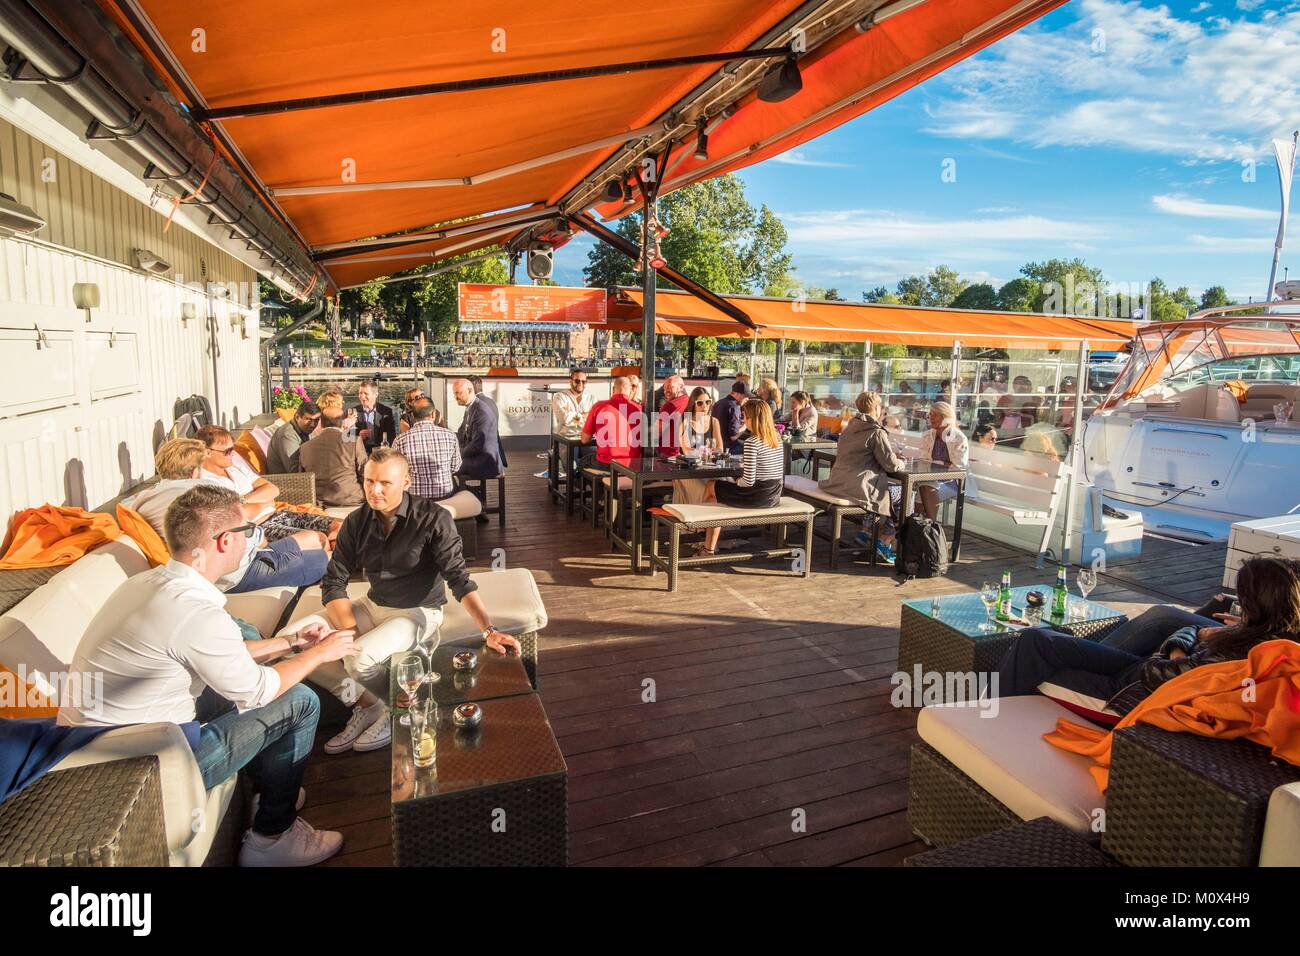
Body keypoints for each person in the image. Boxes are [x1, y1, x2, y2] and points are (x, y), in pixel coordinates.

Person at [59, 485, 359, 866]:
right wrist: (321, 653)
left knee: (252, 646)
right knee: (300, 702)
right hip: (142, 776)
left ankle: (271, 788)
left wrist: (292, 643)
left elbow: (225, 652)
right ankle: (271, 837)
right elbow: (259, 691)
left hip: (108, 746)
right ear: (223, 542)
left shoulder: (150, 585)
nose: (253, 540)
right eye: (248, 533)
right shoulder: (193, 612)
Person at [300, 448, 521, 753]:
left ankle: (398, 709)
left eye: (384, 483)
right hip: (372, 604)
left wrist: (489, 629)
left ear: (406, 482)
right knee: (296, 642)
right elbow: (334, 581)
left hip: (419, 611)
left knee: (357, 658)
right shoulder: (356, 521)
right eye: (368, 481)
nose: (374, 491)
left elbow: (459, 579)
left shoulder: (433, 519)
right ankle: (369, 704)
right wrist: (349, 631)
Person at [994, 557, 1300, 708]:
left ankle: (992, 720)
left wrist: (1179, 647)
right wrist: (1194, 637)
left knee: (1030, 664)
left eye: (1243, 600)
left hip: (1126, 694)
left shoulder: (1255, 652)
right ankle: (994, 709)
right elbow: (1192, 630)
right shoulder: (1261, 635)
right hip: (1137, 670)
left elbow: (1163, 674)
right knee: (1036, 639)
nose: (1239, 607)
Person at [129, 438, 331, 594]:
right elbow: (253, 532)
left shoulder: (142, 500)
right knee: (330, 556)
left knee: (316, 537)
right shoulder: (205, 492)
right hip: (240, 572)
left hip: (248, 555)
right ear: (194, 471)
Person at [818, 391, 906, 563]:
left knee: (882, 490)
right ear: (877, 408)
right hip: (858, 487)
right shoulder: (875, 432)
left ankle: (866, 532)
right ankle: (885, 540)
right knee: (904, 494)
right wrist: (901, 462)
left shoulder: (851, 426)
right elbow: (891, 465)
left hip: (838, 482)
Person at [697, 399, 784, 555]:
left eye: (745, 416)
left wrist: (735, 480)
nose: (743, 420)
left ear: (753, 418)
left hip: (756, 496)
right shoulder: (777, 439)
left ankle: (706, 542)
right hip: (773, 495)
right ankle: (709, 541)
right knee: (719, 487)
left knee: (711, 485)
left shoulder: (752, 442)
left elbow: (747, 481)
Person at [393, 398, 460, 500]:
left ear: (412, 416)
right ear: (434, 414)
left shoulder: (400, 440)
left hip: (415, 499)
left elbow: (396, 471)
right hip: (445, 496)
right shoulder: (450, 436)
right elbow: (455, 467)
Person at [197, 425, 279, 507]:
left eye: (233, 449)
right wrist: (266, 502)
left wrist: (243, 500)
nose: (233, 454)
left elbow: (273, 489)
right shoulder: (205, 482)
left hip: (277, 514)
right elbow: (236, 515)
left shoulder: (235, 467)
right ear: (207, 453)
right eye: (228, 451)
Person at [299, 408, 366, 508]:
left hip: (319, 505)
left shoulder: (305, 447)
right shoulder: (354, 442)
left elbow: (303, 481)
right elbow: (365, 473)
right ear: (343, 423)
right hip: (351, 501)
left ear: (321, 423)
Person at [915, 401, 969, 521]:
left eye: (935, 415)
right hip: (927, 479)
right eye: (930, 414)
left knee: (926, 488)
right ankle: (928, 528)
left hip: (953, 483)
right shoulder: (927, 435)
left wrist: (935, 464)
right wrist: (944, 464)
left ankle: (929, 527)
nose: (931, 418)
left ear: (946, 417)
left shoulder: (959, 438)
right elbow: (924, 461)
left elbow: (959, 468)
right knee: (914, 488)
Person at [673, 388, 724, 505]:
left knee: (723, 488)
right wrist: (702, 451)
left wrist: (704, 452)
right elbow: (684, 450)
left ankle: (713, 522)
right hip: (688, 471)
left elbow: (720, 448)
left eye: (708, 402)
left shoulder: (714, 422)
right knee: (707, 493)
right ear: (693, 404)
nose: (705, 406)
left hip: (709, 469)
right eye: (700, 403)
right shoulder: (685, 421)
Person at [452, 378, 507, 485]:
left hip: (486, 462)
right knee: (447, 462)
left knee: (448, 464)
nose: (455, 397)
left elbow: (477, 445)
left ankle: (454, 495)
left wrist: (457, 454)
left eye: (458, 393)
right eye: (454, 393)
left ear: (470, 390)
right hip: (477, 457)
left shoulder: (482, 412)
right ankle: (458, 493)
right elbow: (461, 432)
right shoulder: (471, 407)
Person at [580, 375, 642, 469]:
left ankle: (600, 483)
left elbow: (585, 440)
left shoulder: (599, 406)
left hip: (607, 463)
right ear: (630, 390)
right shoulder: (639, 409)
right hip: (633, 466)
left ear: (613, 389)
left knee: (582, 462)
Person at [265, 401, 320, 474]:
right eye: (308, 419)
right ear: (297, 417)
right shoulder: (287, 435)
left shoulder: (305, 430)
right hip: (286, 481)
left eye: (316, 420)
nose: (313, 425)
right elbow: (295, 471)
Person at [352, 380, 397, 455]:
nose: (362, 396)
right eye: (360, 393)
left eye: (366, 393)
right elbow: (345, 438)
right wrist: (358, 436)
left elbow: (391, 436)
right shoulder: (352, 412)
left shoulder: (386, 412)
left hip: (380, 454)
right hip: (359, 454)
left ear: (375, 395)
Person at [711, 380, 749, 455]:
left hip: (716, 445)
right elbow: (734, 436)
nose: (747, 399)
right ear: (737, 394)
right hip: (729, 449)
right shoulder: (735, 407)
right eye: (746, 396)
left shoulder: (719, 402)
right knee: (750, 446)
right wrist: (745, 425)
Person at [551, 368, 595, 433]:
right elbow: (564, 418)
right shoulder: (560, 397)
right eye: (577, 381)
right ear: (571, 381)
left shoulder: (591, 398)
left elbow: (594, 419)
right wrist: (584, 415)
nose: (580, 383)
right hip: (565, 437)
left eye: (583, 381)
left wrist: (571, 417)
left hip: (587, 437)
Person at [655, 374, 689, 455]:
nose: (666, 391)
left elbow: (657, 432)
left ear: (681, 387)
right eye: (665, 388)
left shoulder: (670, 405)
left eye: (670, 387)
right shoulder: (690, 401)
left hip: (669, 453)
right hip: (686, 451)